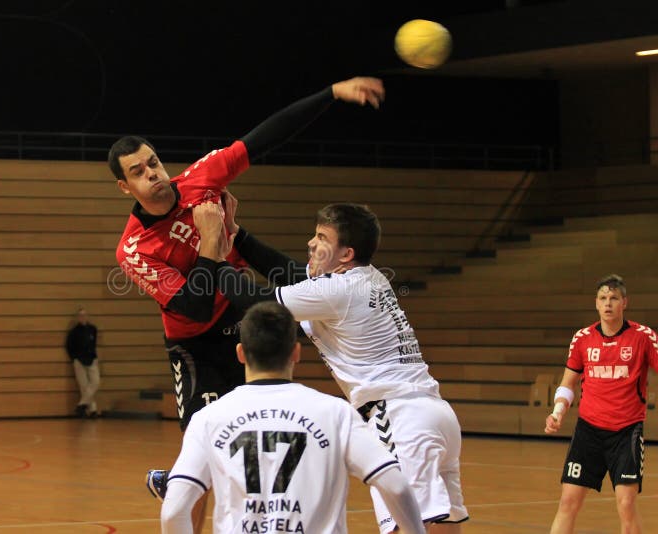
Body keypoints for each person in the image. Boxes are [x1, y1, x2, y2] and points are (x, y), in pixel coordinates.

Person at [107, 76, 385, 526]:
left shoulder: (201, 178)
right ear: (125, 187)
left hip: (243, 320)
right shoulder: (134, 250)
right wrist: (211, 241)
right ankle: (180, 485)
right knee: (201, 455)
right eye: (137, 172)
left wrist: (331, 93)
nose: (152, 174)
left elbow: (265, 136)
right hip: (196, 345)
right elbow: (195, 307)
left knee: (263, 434)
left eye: (153, 162)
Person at [192, 198, 469, 533]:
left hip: (398, 416)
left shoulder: (337, 291)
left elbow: (257, 302)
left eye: (322, 237)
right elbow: (290, 272)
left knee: (405, 526)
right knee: (443, 523)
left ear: (346, 254)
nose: (312, 242)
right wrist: (238, 235)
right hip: (435, 413)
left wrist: (215, 256)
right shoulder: (367, 277)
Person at [160, 301, 426, 534]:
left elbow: (174, 510)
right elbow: (396, 486)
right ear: (296, 352)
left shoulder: (207, 418)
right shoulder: (336, 412)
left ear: (240, 353)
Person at [545, 274, 658, 534]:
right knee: (568, 501)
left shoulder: (643, 337)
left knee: (626, 504)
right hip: (588, 431)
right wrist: (558, 412)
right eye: (603, 298)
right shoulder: (583, 338)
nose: (608, 303)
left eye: (614, 298)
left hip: (626, 432)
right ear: (596, 303)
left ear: (624, 303)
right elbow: (568, 383)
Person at [64, 307, 101, 418]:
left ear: (87, 316)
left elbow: (93, 344)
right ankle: (93, 410)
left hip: (92, 359)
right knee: (84, 386)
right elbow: (69, 346)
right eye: (80, 315)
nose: (83, 317)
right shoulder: (73, 332)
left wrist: (94, 355)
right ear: (77, 318)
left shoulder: (93, 329)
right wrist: (74, 358)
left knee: (95, 382)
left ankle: (81, 404)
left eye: (84, 315)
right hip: (79, 361)